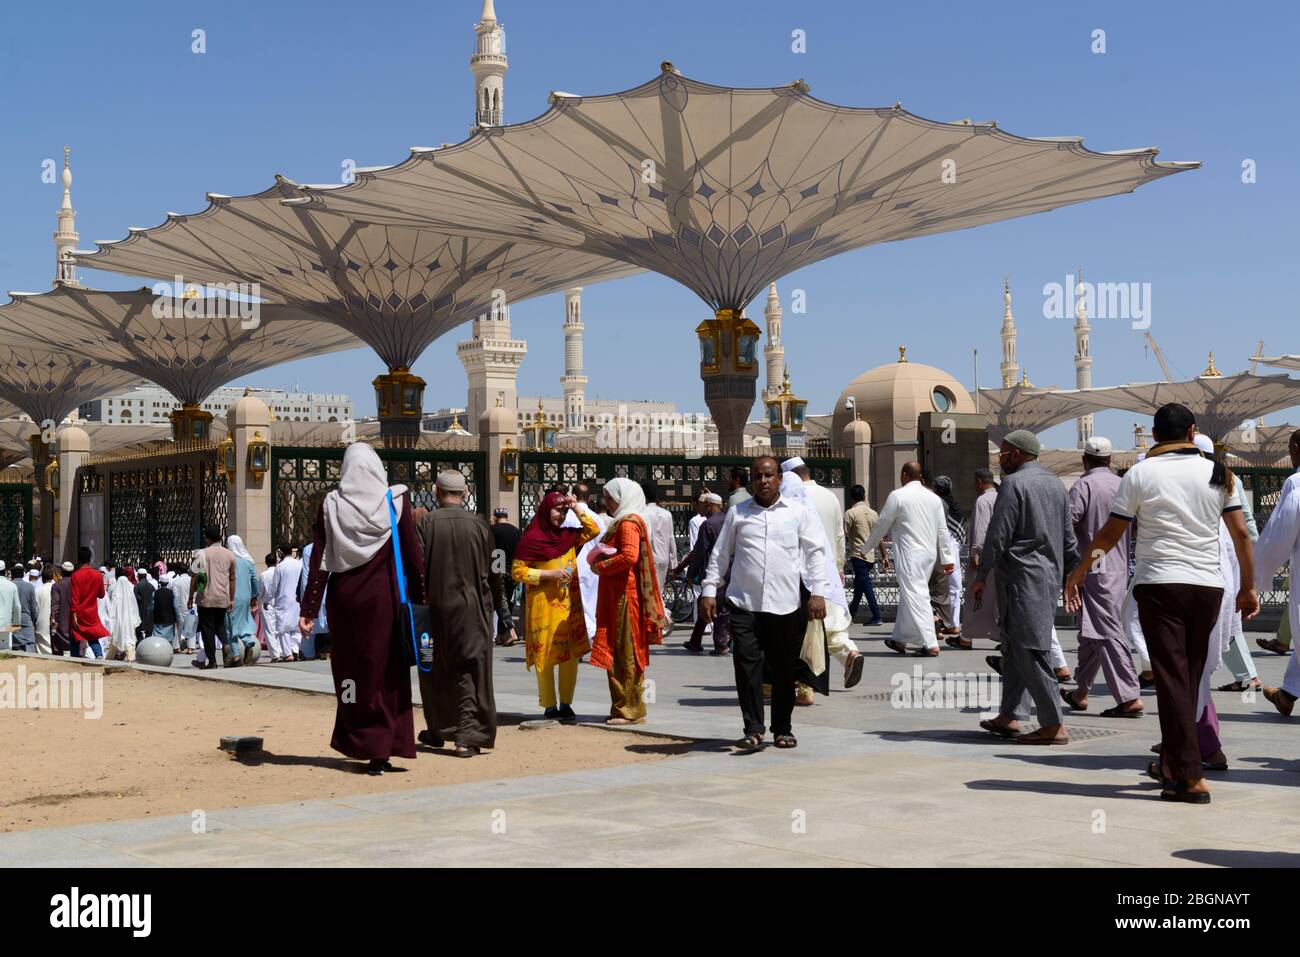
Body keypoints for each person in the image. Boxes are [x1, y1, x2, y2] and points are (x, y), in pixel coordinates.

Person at [1065, 404, 1257, 803]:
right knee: (1186, 679)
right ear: (1191, 431)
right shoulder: (1220, 473)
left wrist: (1081, 570)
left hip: (1160, 585)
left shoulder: (1139, 474)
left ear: (1153, 434)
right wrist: (1249, 586)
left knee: (1172, 678)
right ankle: (1173, 762)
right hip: (1208, 586)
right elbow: (1240, 535)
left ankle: (1191, 776)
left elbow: (1109, 536)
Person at [299, 442, 425, 776]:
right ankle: (386, 747)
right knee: (388, 671)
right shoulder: (395, 501)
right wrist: (423, 597)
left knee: (354, 673)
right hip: (386, 599)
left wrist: (309, 608)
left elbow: (320, 560)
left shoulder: (331, 504)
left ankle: (363, 741)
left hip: (347, 603)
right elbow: (412, 555)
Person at [701, 456, 827, 751]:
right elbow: (721, 554)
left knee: (784, 671)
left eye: (769, 475)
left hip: (786, 605)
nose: (763, 481)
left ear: (779, 479)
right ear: (751, 480)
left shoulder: (797, 513)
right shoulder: (738, 513)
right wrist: (709, 589)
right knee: (746, 666)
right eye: (758, 476)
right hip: (745, 603)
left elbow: (815, 553)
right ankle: (754, 729)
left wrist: (818, 592)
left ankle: (782, 728)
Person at [975, 430, 1079, 746]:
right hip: (1046, 578)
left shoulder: (1014, 485)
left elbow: (998, 534)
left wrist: (981, 574)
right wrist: (1071, 576)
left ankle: (1053, 723)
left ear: (1017, 454)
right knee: (1014, 646)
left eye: (1003, 453)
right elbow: (1069, 538)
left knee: (1031, 650)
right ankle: (1011, 714)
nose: (1000, 459)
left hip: (1022, 580)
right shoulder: (1056, 485)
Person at [415, 470, 505, 757]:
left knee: (435, 670)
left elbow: (415, 571)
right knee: (471, 670)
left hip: (434, 610)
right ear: (465, 494)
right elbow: (495, 570)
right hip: (473, 608)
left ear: (435, 491)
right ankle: (467, 736)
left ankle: (441, 727)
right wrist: (498, 608)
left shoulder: (425, 524)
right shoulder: (480, 526)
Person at [1061, 437, 1143, 718]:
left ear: (1085, 460)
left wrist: (1070, 568)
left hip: (1092, 566)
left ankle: (1129, 696)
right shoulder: (1123, 484)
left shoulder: (1083, 485)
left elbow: (1068, 527)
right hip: (1120, 565)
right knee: (1091, 630)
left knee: (1106, 629)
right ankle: (1080, 691)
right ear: (1110, 460)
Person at [512, 490, 600, 722]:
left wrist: (576, 507)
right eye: (557, 511)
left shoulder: (568, 536)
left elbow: (594, 529)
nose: (560, 516)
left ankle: (566, 703)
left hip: (568, 605)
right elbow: (517, 571)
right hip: (543, 605)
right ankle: (549, 704)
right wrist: (549, 574)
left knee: (570, 656)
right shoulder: (531, 540)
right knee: (546, 655)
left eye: (563, 512)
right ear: (544, 510)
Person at [590, 478, 668, 725]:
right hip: (620, 594)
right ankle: (622, 707)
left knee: (626, 653)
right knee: (621, 651)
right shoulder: (628, 520)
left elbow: (629, 556)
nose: (608, 503)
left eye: (610, 497)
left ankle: (630, 709)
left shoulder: (628, 523)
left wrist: (601, 566)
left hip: (625, 595)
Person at [780, 470, 861, 694]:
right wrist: (838, 566)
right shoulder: (830, 496)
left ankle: (804, 683)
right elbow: (838, 535)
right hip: (828, 570)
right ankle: (849, 653)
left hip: (802, 578)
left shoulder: (789, 502)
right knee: (830, 624)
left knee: (809, 630)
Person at [862, 462, 954, 657]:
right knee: (910, 594)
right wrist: (947, 558)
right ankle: (900, 640)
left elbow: (882, 524)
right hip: (929, 555)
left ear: (904, 475)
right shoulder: (933, 498)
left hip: (910, 555)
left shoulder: (898, 496)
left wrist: (866, 548)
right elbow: (942, 530)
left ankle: (930, 644)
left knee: (916, 594)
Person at [1254, 428, 1300, 716]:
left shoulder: (1295, 485)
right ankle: (1288, 693)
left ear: (1296, 447)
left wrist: (1255, 580)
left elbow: (1277, 538)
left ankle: (1288, 693)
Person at [674, 492, 728, 653]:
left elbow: (699, 552)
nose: (701, 507)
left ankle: (721, 644)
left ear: (709, 505)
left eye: (704, 504)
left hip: (712, 570)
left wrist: (690, 573)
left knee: (716, 607)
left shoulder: (708, 524)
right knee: (714, 605)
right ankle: (695, 640)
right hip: (729, 570)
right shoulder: (727, 520)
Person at [958, 468, 1000, 647]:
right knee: (996, 599)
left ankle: (966, 637)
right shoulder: (1001, 497)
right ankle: (998, 634)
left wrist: (975, 553)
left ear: (979, 482)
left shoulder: (983, 501)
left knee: (974, 595)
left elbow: (981, 529)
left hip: (983, 558)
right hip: (999, 556)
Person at [190, 527, 236, 671]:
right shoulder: (230, 554)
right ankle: (225, 642)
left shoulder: (201, 553)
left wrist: (191, 596)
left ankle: (212, 661)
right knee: (220, 625)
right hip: (223, 596)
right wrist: (232, 598)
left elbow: (194, 576)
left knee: (207, 628)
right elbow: (232, 578)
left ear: (207, 539)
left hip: (206, 597)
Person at [931, 475, 966, 644]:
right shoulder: (956, 506)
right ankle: (953, 623)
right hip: (953, 547)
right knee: (954, 586)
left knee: (938, 586)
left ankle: (941, 622)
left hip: (941, 547)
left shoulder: (936, 504)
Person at [843, 484, 883, 626]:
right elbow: (879, 538)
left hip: (858, 554)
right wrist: (884, 557)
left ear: (851, 498)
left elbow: (843, 535)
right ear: (864, 496)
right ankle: (851, 614)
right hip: (871, 556)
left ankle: (876, 615)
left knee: (865, 585)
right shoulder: (873, 513)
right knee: (859, 585)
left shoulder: (850, 513)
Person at [225, 534, 261, 665]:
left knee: (231, 626)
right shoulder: (248, 561)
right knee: (244, 623)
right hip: (245, 598)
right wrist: (254, 597)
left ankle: (235, 654)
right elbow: (254, 581)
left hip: (231, 597)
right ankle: (249, 643)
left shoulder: (229, 561)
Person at [490, 507, 523, 646]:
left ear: (495, 517)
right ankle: (501, 636)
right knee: (507, 602)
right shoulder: (515, 530)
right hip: (513, 569)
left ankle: (511, 631)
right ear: (507, 517)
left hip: (498, 568)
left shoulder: (492, 530)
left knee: (500, 601)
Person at [69, 548, 108, 658]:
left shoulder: (76, 575)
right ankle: (99, 655)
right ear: (90, 558)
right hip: (92, 612)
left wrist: (73, 615)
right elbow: (101, 594)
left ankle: (75, 658)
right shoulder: (97, 575)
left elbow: (75, 598)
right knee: (92, 636)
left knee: (75, 637)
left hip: (79, 612)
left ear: (78, 559)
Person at [269, 544, 304, 662]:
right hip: (297, 600)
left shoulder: (281, 567)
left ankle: (288, 653)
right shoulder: (299, 564)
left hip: (283, 600)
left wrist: (268, 598)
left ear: (282, 553)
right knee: (296, 627)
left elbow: (274, 586)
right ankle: (296, 650)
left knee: (283, 628)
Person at [640, 480, 677, 589]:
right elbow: (671, 539)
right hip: (663, 558)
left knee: (649, 594)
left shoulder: (642, 513)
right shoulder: (667, 514)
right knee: (659, 592)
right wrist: (673, 563)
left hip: (648, 558)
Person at [297, 542, 330, 660]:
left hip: (317, 592)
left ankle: (317, 652)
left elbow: (307, 578)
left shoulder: (310, 549)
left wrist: (306, 604)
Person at [106, 565, 142, 661]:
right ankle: (130, 657)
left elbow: (112, 605)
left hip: (118, 618)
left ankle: (111, 656)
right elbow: (134, 605)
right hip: (129, 617)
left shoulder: (113, 588)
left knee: (116, 635)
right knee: (129, 635)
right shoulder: (131, 587)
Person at [51, 562, 73, 656]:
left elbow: (55, 603)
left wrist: (53, 617)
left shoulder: (57, 585)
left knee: (57, 645)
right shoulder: (76, 584)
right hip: (74, 619)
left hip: (61, 620)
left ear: (62, 572)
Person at [13, 564, 37, 651]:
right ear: (23, 574)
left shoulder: (10, 585)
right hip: (26, 618)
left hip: (13, 619)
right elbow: (33, 607)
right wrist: (33, 620)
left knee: (13, 644)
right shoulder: (29, 587)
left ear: (12, 574)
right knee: (29, 644)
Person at [151, 572, 179, 647]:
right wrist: (178, 619)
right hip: (169, 619)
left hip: (157, 619)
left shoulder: (155, 593)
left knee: (158, 637)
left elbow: (152, 607)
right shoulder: (172, 593)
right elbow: (176, 607)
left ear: (160, 582)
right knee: (168, 638)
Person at [259, 554, 278, 653]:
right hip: (279, 604)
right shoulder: (279, 572)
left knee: (269, 630)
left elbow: (261, 591)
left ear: (266, 562)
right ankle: (283, 651)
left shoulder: (264, 574)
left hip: (268, 604)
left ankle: (275, 654)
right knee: (279, 629)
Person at [0, 562, 21, 651]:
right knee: (5, 651)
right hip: (6, 625)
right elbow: (17, 607)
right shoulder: (12, 586)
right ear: (5, 571)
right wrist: (16, 625)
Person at [34, 565, 54, 655]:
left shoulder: (38, 591)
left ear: (42, 578)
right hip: (55, 625)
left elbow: (35, 610)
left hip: (41, 626)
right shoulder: (57, 588)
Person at [133, 566, 155, 645]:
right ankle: (147, 644)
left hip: (139, 611)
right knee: (149, 630)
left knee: (138, 629)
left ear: (138, 576)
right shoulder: (151, 586)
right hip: (150, 611)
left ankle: (140, 643)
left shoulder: (137, 586)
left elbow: (135, 599)